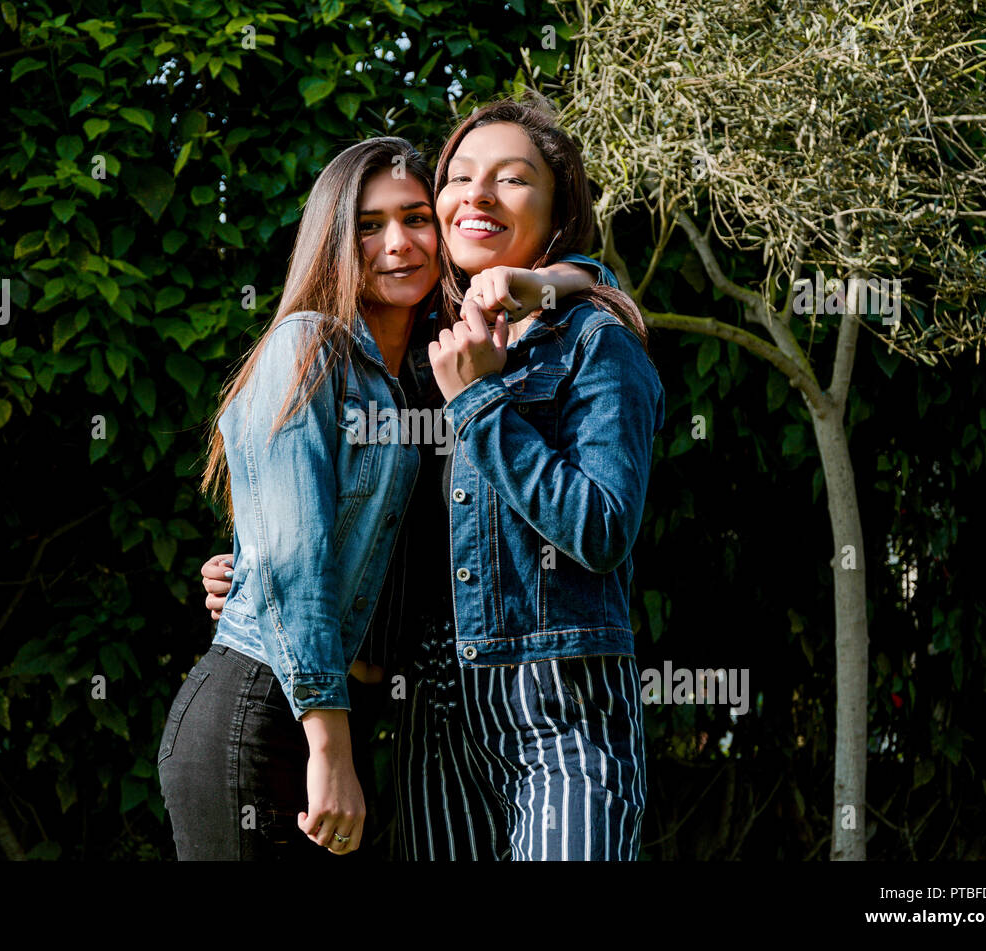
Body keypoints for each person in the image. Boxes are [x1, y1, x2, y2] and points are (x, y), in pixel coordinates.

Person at [202, 96, 665, 861]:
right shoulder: (420, 351)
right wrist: (258, 575)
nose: (478, 195)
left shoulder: (595, 344)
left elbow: (602, 527)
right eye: (460, 177)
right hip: (434, 714)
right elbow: (355, 521)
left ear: (557, 214)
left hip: (562, 707)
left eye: (512, 180)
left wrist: (484, 398)